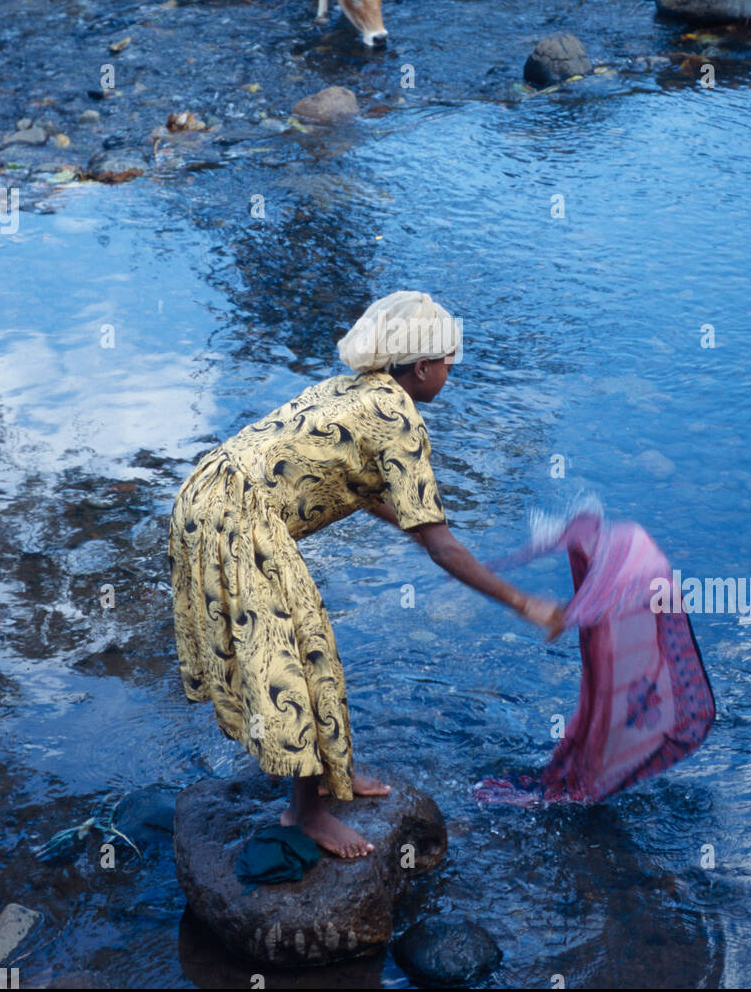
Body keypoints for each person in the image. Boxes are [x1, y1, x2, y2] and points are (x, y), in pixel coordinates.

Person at [169, 291, 564, 860]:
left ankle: (331, 775)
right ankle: (307, 815)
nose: (451, 374)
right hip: (236, 520)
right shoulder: (401, 417)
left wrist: (420, 523)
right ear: (422, 367)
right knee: (303, 656)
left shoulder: (357, 389)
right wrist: (526, 604)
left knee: (301, 644)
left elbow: (361, 485)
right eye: (449, 364)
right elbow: (442, 549)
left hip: (203, 496)